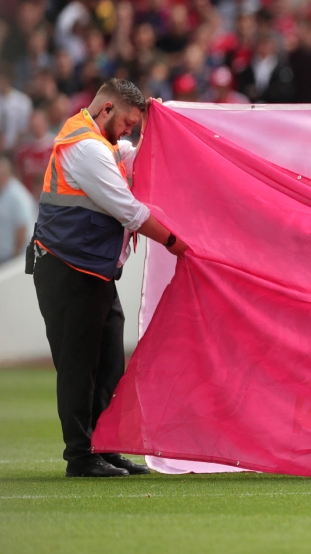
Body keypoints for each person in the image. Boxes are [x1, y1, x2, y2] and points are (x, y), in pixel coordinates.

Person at [29, 79, 190, 478]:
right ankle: (81, 456)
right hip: (68, 270)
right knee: (79, 366)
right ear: (106, 111)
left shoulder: (103, 143)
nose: (131, 133)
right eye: (129, 123)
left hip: (90, 270)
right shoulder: (86, 150)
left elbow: (139, 156)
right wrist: (176, 242)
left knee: (108, 365)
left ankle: (106, 447)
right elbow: (130, 211)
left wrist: (161, 121)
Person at [0, 155, 33, 262]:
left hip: (13, 258)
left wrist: (15, 255)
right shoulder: (3, 191)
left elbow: (22, 228)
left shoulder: (17, 195)